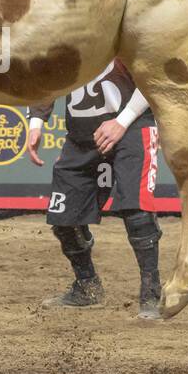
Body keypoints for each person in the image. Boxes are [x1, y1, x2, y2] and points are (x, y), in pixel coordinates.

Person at [25, 59, 162, 320]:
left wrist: (122, 122)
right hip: (81, 135)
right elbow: (47, 75)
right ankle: (87, 287)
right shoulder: (66, 34)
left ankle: (151, 293)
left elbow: (153, 72)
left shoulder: (128, 26)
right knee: (64, 219)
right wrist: (36, 124)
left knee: (136, 210)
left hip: (131, 127)